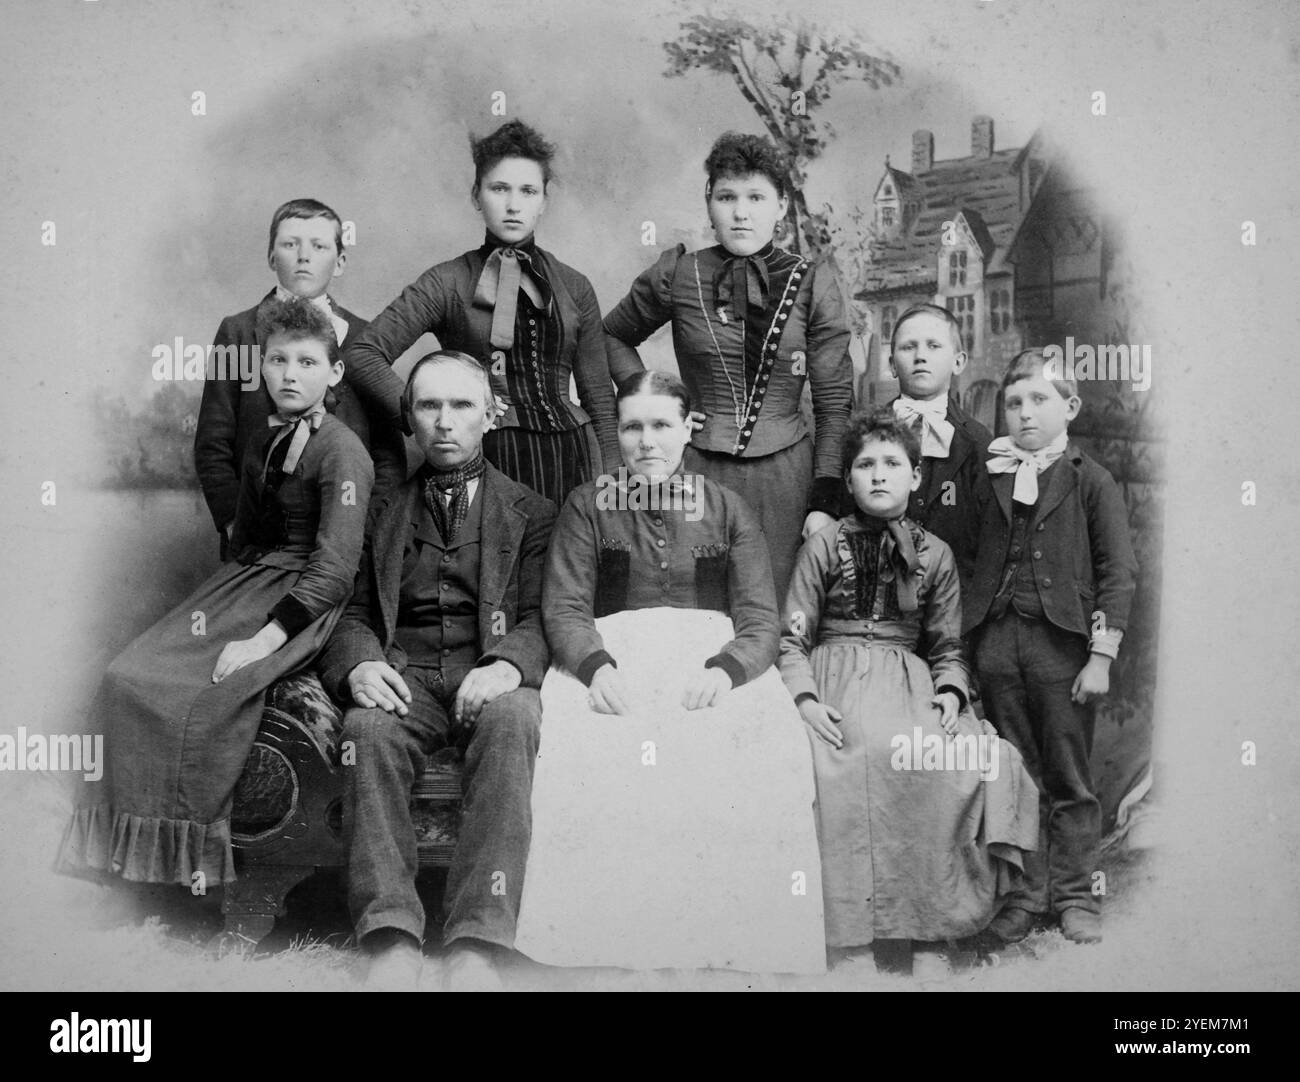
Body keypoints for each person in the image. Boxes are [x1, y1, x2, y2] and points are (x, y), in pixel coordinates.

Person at [514, 371, 825, 974]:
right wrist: (595, 668)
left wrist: (729, 670)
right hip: (609, 657)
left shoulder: (728, 509)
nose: (647, 441)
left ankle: (724, 944)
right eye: (633, 427)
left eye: (662, 425)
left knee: (756, 742)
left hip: (711, 660)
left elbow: (761, 618)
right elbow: (566, 608)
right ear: (618, 434)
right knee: (594, 745)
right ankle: (605, 943)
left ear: (689, 429)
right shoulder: (587, 505)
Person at [57, 298, 374, 887]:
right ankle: (126, 852)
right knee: (125, 676)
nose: (289, 374)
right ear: (261, 369)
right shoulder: (263, 439)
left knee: (203, 695)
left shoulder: (342, 451)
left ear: (334, 374)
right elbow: (246, 537)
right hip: (249, 582)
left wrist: (261, 642)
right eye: (277, 360)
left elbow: (335, 569)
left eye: (307, 362)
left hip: (306, 600)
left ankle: (185, 856)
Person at [316, 350, 556, 991]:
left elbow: (544, 615)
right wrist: (360, 664)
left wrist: (509, 663)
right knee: (367, 730)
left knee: (514, 720)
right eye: (429, 406)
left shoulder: (532, 512)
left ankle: (476, 940)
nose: (444, 422)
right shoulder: (380, 507)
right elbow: (350, 610)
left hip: (488, 675)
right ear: (411, 418)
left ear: (490, 416)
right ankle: (391, 933)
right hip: (406, 675)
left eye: (461, 406)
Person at [779, 410, 1038, 979]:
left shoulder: (937, 554)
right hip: (834, 680)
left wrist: (950, 691)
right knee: (858, 756)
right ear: (847, 480)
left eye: (892, 464)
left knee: (976, 761)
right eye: (864, 465)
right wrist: (803, 699)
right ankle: (848, 939)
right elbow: (791, 638)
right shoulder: (824, 545)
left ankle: (930, 927)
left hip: (909, 681)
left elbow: (946, 644)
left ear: (915, 477)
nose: (878, 475)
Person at [602, 131, 854, 596]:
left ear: (781, 206)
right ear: (709, 203)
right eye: (727, 197)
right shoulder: (678, 273)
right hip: (695, 468)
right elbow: (610, 336)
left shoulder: (813, 282)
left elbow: (834, 403)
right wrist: (658, 405)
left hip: (786, 479)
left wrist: (825, 499)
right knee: (693, 603)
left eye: (756, 197)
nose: (741, 212)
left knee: (774, 610)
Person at [339, 120, 620, 509]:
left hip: (574, 458)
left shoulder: (574, 285)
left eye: (528, 191)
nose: (513, 204)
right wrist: (420, 412)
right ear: (476, 196)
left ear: (544, 200)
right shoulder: (448, 281)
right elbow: (363, 354)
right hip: (486, 460)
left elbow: (599, 399)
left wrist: (612, 486)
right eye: (499, 188)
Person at [964, 349, 1138, 946]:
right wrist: (972, 643)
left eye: (1039, 399)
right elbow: (968, 562)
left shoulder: (1091, 478)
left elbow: (1117, 570)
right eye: (1013, 403)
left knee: (1069, 778)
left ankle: (1074, 896)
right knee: (1017, 775)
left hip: (1062, 650)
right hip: (997, 646)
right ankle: (1025, 895)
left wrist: (1101, 656)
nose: (1024, 413)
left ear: (1070, 406)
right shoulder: (989, 477)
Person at [194, 198, 398, 558]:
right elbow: (213, 442)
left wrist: (365, 530)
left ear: (340, 262)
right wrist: (234, 525)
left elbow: (387, 451)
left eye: (319, 246)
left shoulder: (364, 339)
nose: (304, 256)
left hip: (347, 539)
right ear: (272, 257)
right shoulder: (239, 332)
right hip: (260, 540)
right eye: (290, 244)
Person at [879, 303, 993, 593]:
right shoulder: (868, 435)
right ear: (892, 364)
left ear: (958, 361)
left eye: (933, 346)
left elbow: (987, 538)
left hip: (952, 596)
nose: (920, 357)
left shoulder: (979, 443)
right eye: (908, 347)